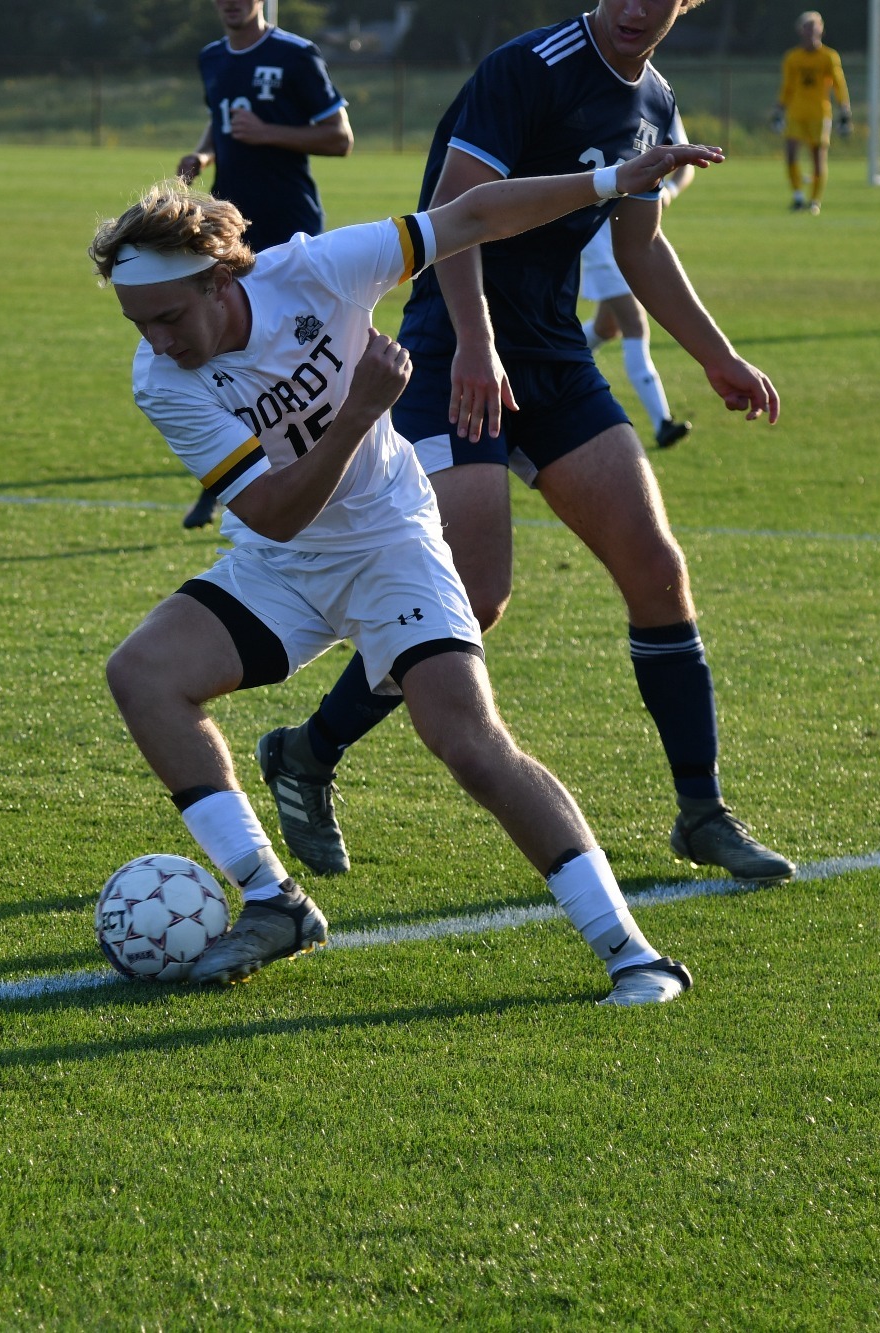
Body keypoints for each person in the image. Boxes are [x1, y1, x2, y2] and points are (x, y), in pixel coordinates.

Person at [94, 138, 723, 999]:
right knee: (143, 674)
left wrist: (612, 181)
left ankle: (632, 953)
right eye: (141, 326)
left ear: (217, 279)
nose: (159, 345)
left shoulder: (313, 272)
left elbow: (473, 216)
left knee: (467, 741)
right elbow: (275, 511)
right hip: (286, 557)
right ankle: (274, 900)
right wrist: (356, 412)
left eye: (168, 319)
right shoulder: (160, 381)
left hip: (393, 542)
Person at [256, 0, 795, 888]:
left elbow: (642, 245)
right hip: (450, 347)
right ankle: (308, 753)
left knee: (657, 568)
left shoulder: (653, 100)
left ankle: (702, 813)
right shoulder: (532, 67)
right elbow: (453, 211)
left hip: (549, 356)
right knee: (476, 591)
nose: (633, 9)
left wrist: (717, 356)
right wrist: (474, 341)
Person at [174, 0, 352, 532]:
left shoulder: (295, 54)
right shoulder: (211, 57)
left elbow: (340, 137)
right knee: (227, 358)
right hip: (230, 234)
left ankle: (340, 468)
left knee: (305, 355)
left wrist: (269, 132)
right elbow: (221, 120)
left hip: (292, 235)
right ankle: (227, 481)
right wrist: (205, 156)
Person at [581, 112, 695, 449]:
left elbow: (684, 158)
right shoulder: (595, 90)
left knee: (607, 328)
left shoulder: (657, 95)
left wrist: (670, 189)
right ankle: (662, 422)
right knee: (635, 324)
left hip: (632, 230)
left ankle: (531, 368)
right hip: (598, 232)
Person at [771, 11, 851, 214]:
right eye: (807, 29)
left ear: (821, 30)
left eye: (814, 29)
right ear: (801, 31)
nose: (811, 34)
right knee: (790, 154)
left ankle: (815, 200)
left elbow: (838, 85)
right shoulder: (792, 57)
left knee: (818, 158)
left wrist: (845, 111)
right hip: (797, 112)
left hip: (819, 113)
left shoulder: (829, 57)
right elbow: (787, 86)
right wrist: (779, 110)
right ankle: (798, 195)